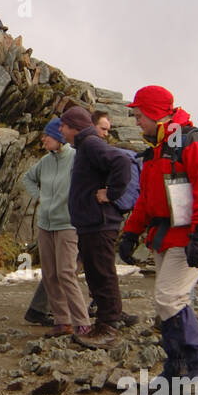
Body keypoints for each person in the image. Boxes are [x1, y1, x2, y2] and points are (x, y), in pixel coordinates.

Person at [119, 85, 198, 378]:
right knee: (167, 301)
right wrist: (131, 232)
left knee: (169, 299)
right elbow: (146, 197)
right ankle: (176, 369)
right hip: (164, 236)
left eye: (140, 115)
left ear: (155, 114)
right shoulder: (158, 148)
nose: (137, 121)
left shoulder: (191, 142)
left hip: (188, 235)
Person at [62, 106, 133, 343]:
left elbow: (121, 162)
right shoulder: (86, 146)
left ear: (73, 127)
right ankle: (108, 319)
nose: (61, 130)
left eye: (63, 126)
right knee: (97, 272)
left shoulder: (91, 144)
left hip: (99, 221)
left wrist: (111, 193)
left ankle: (108, 326)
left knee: (101, 273)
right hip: (92, 221)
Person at [23, 118, 89, 337]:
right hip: (45, 226)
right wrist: (40, 197)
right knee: (50, 274)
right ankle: (62, 322)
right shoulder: (45, 161)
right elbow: (28, 179)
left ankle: (82, 322)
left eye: (47, 136)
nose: (43, 140)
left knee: (66, 273)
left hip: (67, 225)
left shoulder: (75, 158)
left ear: (59, 137)